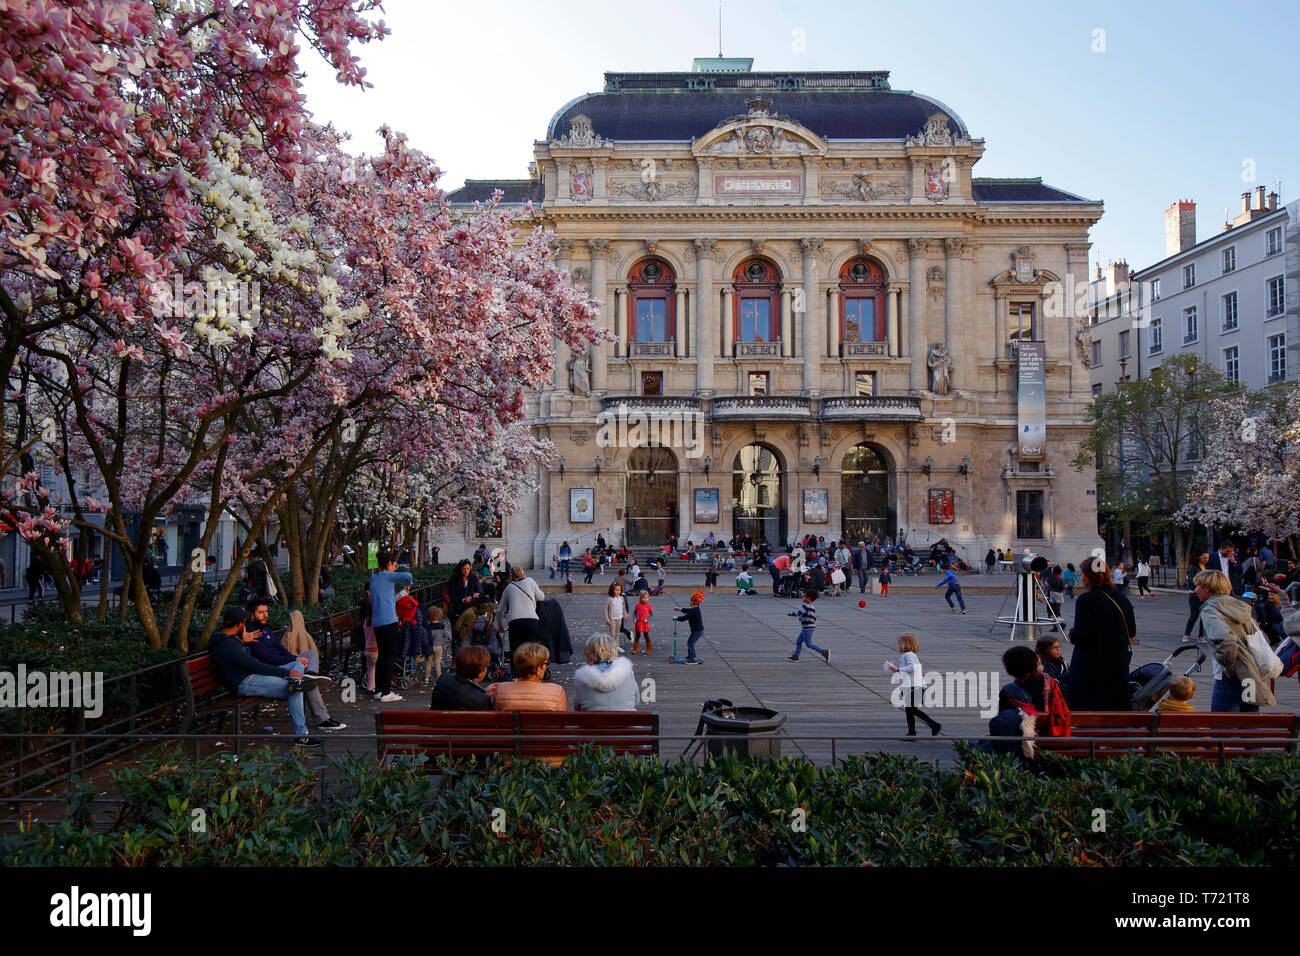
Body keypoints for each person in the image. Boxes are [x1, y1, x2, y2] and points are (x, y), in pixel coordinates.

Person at [206, 606, 324, 747]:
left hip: (249, 676)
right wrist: (286, 673)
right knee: (295, 687)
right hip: (243, 682)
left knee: (295, 681)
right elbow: (252, 664)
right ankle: (301, 736)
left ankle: (298, 682)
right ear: (238, 624)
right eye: (243, 623)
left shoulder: (227, 638)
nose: (245, 626)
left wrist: (242, 640)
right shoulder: (227, 644)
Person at [245, 601, 346, 731]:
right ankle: (322, 719)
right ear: (252, 615)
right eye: (261, 612)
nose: (265, 615)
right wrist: (295, 658)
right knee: (303, 676)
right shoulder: (252, 633)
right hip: (274, 668)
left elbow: (281, 650)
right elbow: (267, 658)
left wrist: (294, 657)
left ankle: (311, 674)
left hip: (285, 661)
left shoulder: (266, 629)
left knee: (311, 654)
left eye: (266, 611)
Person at [1191, 570, 1275, 713]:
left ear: (1207, 588)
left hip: (1230, 675)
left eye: (1198, 586)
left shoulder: (1210, 610)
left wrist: (1229, 666)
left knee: (1222, 728)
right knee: (1248, 724)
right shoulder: (1240, 606)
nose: (1195, 590)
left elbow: (1225, 640)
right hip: (1251, 672)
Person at [1066, 556, 1135, 711]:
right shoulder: (1121, 598)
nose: (1082, 577)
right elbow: (1132, 630)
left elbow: (1082, 635)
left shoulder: (1086, 600)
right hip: (1117, 663)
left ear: (1091, 576)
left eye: (1083, 574)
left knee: (1087, 706)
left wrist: (1072, 633)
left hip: (1091, 665)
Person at [370, 550, 413, 703]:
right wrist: (408, 585)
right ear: (388, 564)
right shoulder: (388, 576)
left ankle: (379, 690)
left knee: (382, 656)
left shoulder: (374, 578)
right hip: (389, 621)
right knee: (389, 657)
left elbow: (387, 599)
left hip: (377, 623)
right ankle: (386, 692)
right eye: (394, 564)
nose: (395, 567)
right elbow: (408, 575)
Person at [887, 634, 940, 737]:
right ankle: (912, 732)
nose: (898, 646)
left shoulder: (909, 655)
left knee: (911, 709)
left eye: (900, 644)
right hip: (910, 686)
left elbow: (912, 667)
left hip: (914, 687)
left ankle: (933, 725)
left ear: (906, 644)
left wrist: (898, 669)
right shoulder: (905, 656)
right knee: (909, 710)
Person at [488, 643, 567, 712]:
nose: (546, 666)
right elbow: (563, 721)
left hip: (515, 729)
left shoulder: (500, 690)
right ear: (538, 668)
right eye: (546, 663)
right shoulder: (556, 691)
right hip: (546, 729)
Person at [494, 566, 546, 665]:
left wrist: (500, 625)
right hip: (531, 620)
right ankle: (530, 673)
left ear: (511, 576)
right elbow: (542, 597)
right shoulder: (530, 581)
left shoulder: (509, 588)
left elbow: (500, 610)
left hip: (515, 621)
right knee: (530, 649)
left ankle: (515, 676)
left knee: (515, 648)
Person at [573, 634, 638, 711]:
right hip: (628, 722)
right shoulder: (628, 672)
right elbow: (636, 701)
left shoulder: (581, 678)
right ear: (613, 651)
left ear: (589, 654)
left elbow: (577, 707)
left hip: (594, 722)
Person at [429, 645, 493, 711]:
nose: (486, 670)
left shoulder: (443, 680)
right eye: (485, 667)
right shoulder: (482, 700)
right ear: (479, 672)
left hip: (437, 720)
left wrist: (482, 691)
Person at [785, 590, 830, 664]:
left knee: (808, 644)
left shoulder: (805, 606)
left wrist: (790, 614)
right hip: (809, 627)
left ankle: (823, 652)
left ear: (808, 598)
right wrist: (802, 618)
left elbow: (798, 613)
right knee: (799, 641)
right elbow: (812, 617)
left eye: (804, 596)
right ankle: (796, 656)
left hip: (807, 628)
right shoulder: (813, 607)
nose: (803, 597)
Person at [447, 559, 482, 626]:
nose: (466, 571)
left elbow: (479, 591)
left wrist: (475, 595)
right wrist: (462, 600)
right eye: (464, 569)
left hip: (470, 608)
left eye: (468, 569)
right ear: (460, 569)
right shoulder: (454, 579)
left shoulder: (473, 578)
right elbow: (451, 596)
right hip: (457, 609)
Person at [674, 590, 705, 664]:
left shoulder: (693, 611)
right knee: (690, 642)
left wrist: (677, 618)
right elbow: (687, 610)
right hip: (697, 630)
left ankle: (692, 658)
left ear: (692, 602)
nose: (690, 602)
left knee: (690, 642)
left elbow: (684, 618)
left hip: (697, 631)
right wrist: (680, 609)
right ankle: (690, 655)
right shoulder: (695, 609)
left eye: (690, 600)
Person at [424, 604, 449, 683]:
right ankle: (438, 677)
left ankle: (426, 678)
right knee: (437, 662)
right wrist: (443, 641)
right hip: (438, 646)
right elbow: (448, 636)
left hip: (430, 646)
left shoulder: (427, 626)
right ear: (440, 615)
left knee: (428, 662)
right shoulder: (442, 626)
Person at [631, 590, 653, 655]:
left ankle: (649, 649)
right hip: (638, 623)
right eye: (644, 597)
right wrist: (634, 618)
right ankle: (635, 649)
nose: (645, 599)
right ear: (640, 598)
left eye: (647, 597)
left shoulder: (649, 606)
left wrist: (647, 619)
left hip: (645, 624)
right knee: (637, 636)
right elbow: (634, 613)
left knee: (646, 636)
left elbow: (651, 615)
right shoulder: (637, 605)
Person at [605, 582, 627, 646]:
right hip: (612, 619)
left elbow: (624, 608)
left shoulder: (621, 598)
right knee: (612, 633)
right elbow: (606, 610)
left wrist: (625, 616)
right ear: (612, 590)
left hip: (619, 618)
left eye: (619, 590)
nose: (618, 592)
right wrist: (607, 619)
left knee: (617, 633)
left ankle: (616, 646)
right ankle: (611, 646)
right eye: (616, 590)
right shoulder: (610, 599)